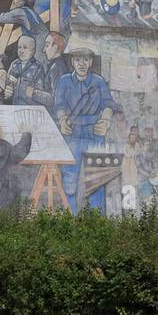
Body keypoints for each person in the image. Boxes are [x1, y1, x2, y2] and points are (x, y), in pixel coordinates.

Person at [54, 48, 115, 208]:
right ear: (73, 62)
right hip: (72, 134)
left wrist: (106, 122)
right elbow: (59, 105)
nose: (82, 64)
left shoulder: (99, 81)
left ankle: (97, 222)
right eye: (78, 60)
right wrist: (62, 120)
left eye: (86, 60)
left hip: (95, 133)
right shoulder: (63, 81)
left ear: (91, 62)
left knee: (97, 180)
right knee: (69, 181)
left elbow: (108, 104)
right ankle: (69, 218)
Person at [4, 34, 48, 106]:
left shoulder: (38, 67)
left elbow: (39, 94)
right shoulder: (14, 64)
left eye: (25, 47)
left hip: (30, 109)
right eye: (19, 47)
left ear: (33, 51)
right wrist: (8, 93)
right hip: (15, 107)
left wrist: (22, 89)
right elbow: (8, 87)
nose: (21, 51)